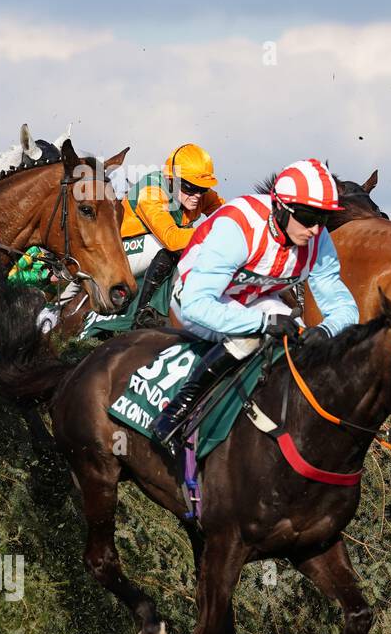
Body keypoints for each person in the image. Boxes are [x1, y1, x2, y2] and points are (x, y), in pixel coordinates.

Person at [150, 158, 360, 454]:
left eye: (323, 219)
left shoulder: (318, 239)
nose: (315, 230)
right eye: (306, 216)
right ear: (279, 207)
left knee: (303, 345)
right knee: (250, 338)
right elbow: (197, 305)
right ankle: (173, 416)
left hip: (253, 297)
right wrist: (261, 324)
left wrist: (326, 331)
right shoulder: (238, 227)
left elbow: (345, 308)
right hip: (195, 295)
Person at [121, 143, 225, 326]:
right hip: (123, 253)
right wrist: (212, 233)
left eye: (202, 189)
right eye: (190, 187)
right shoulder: (151, 191)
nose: (197, 195)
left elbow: (231, 217)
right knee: (171, 243)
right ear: (172, 180)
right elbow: (172, 239)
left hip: (157, 253)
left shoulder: (199, 194)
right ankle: (143, 310)